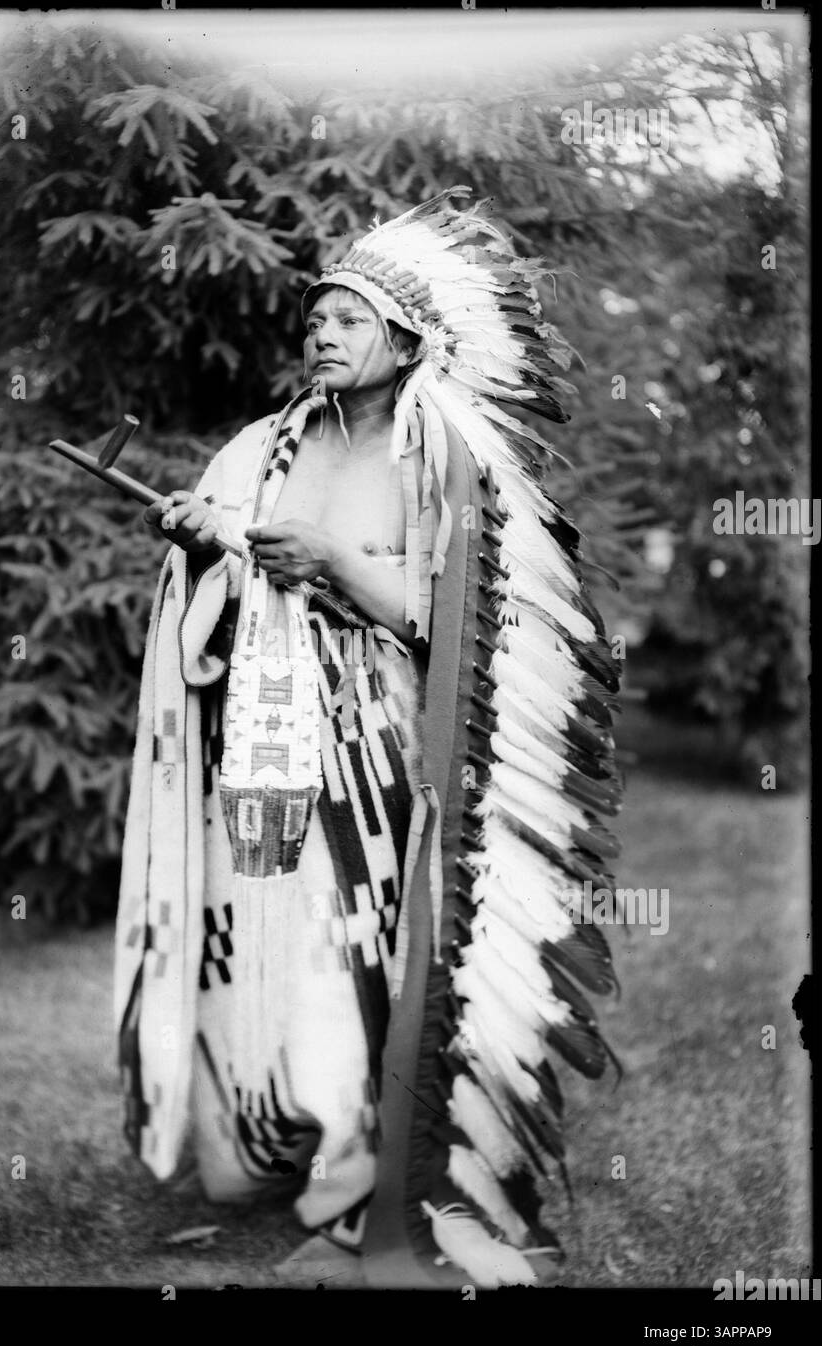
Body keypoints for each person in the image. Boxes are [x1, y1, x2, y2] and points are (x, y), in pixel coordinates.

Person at [114, 187, 623, 1288]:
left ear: (406, 341)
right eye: (316, 319)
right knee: (279, 941)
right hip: (273, 732)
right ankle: (293, 1133)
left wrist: (340, 567)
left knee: (366, 950)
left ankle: (367, 1184)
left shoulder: (443, 461)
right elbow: (226, 567)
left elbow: (472, 622)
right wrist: (206, 544)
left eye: (346, 321)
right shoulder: (267, 444)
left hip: (394, 750)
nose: (320, 334)